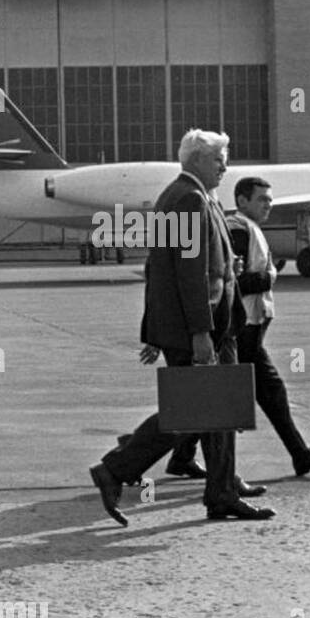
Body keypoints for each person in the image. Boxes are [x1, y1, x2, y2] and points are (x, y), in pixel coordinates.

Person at [90, 130, 276, 525]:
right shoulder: (188, 199)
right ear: (195, 161)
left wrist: (228, 270)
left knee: (216, 410)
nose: (225, 166)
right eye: (217, 160)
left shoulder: (189, 196)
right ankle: (117, 469)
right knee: (191, 411)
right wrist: (200, 333)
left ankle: (222, 490)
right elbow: (187, 273)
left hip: (207, 323)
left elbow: (165, 267)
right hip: (202, 326)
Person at [153, 177, 310, 479]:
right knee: (223, 400)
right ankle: (133, 456)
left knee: (241, 396)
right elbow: (227, 283)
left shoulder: (247, 228)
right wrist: (267, 278)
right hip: (241, 329)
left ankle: (180, 456)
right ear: (242, 201)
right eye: (262, 199)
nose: (268, 204)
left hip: (251, 327)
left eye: (269, 199)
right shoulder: (238, 229)